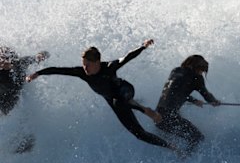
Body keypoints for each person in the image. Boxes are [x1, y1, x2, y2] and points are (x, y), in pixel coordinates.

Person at [26, 39, 174, 151]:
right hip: (114, 101)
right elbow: (58, 70)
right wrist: (37, 74)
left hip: (125, 90)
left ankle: (143, 109)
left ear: (97, 62)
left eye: (88, 64)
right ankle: (172, 147)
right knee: (139, 134)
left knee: (119, 101)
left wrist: (143, 46)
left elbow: (128, 57)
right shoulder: (82, 73)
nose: (85, 68)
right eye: (83, 64)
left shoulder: (109, 67)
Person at [155, 55, 220, 155]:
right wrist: (214, 101)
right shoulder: (196, 78)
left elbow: (176, 90)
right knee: (198, 137)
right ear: (197, 67)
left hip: (157, 116)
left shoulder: (176, 71)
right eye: (202, 70)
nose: (202, 72)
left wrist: (193, 100)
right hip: (169, 118)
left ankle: (176, 157)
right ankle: (186, 160)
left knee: (179, 137)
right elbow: (206, 95)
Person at [0, 47, 49, 115]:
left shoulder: (20, 63)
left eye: (4, 59)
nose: (2, 62)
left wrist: (40, 55)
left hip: (14, 95)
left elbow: (45, 54)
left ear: (10, 59)